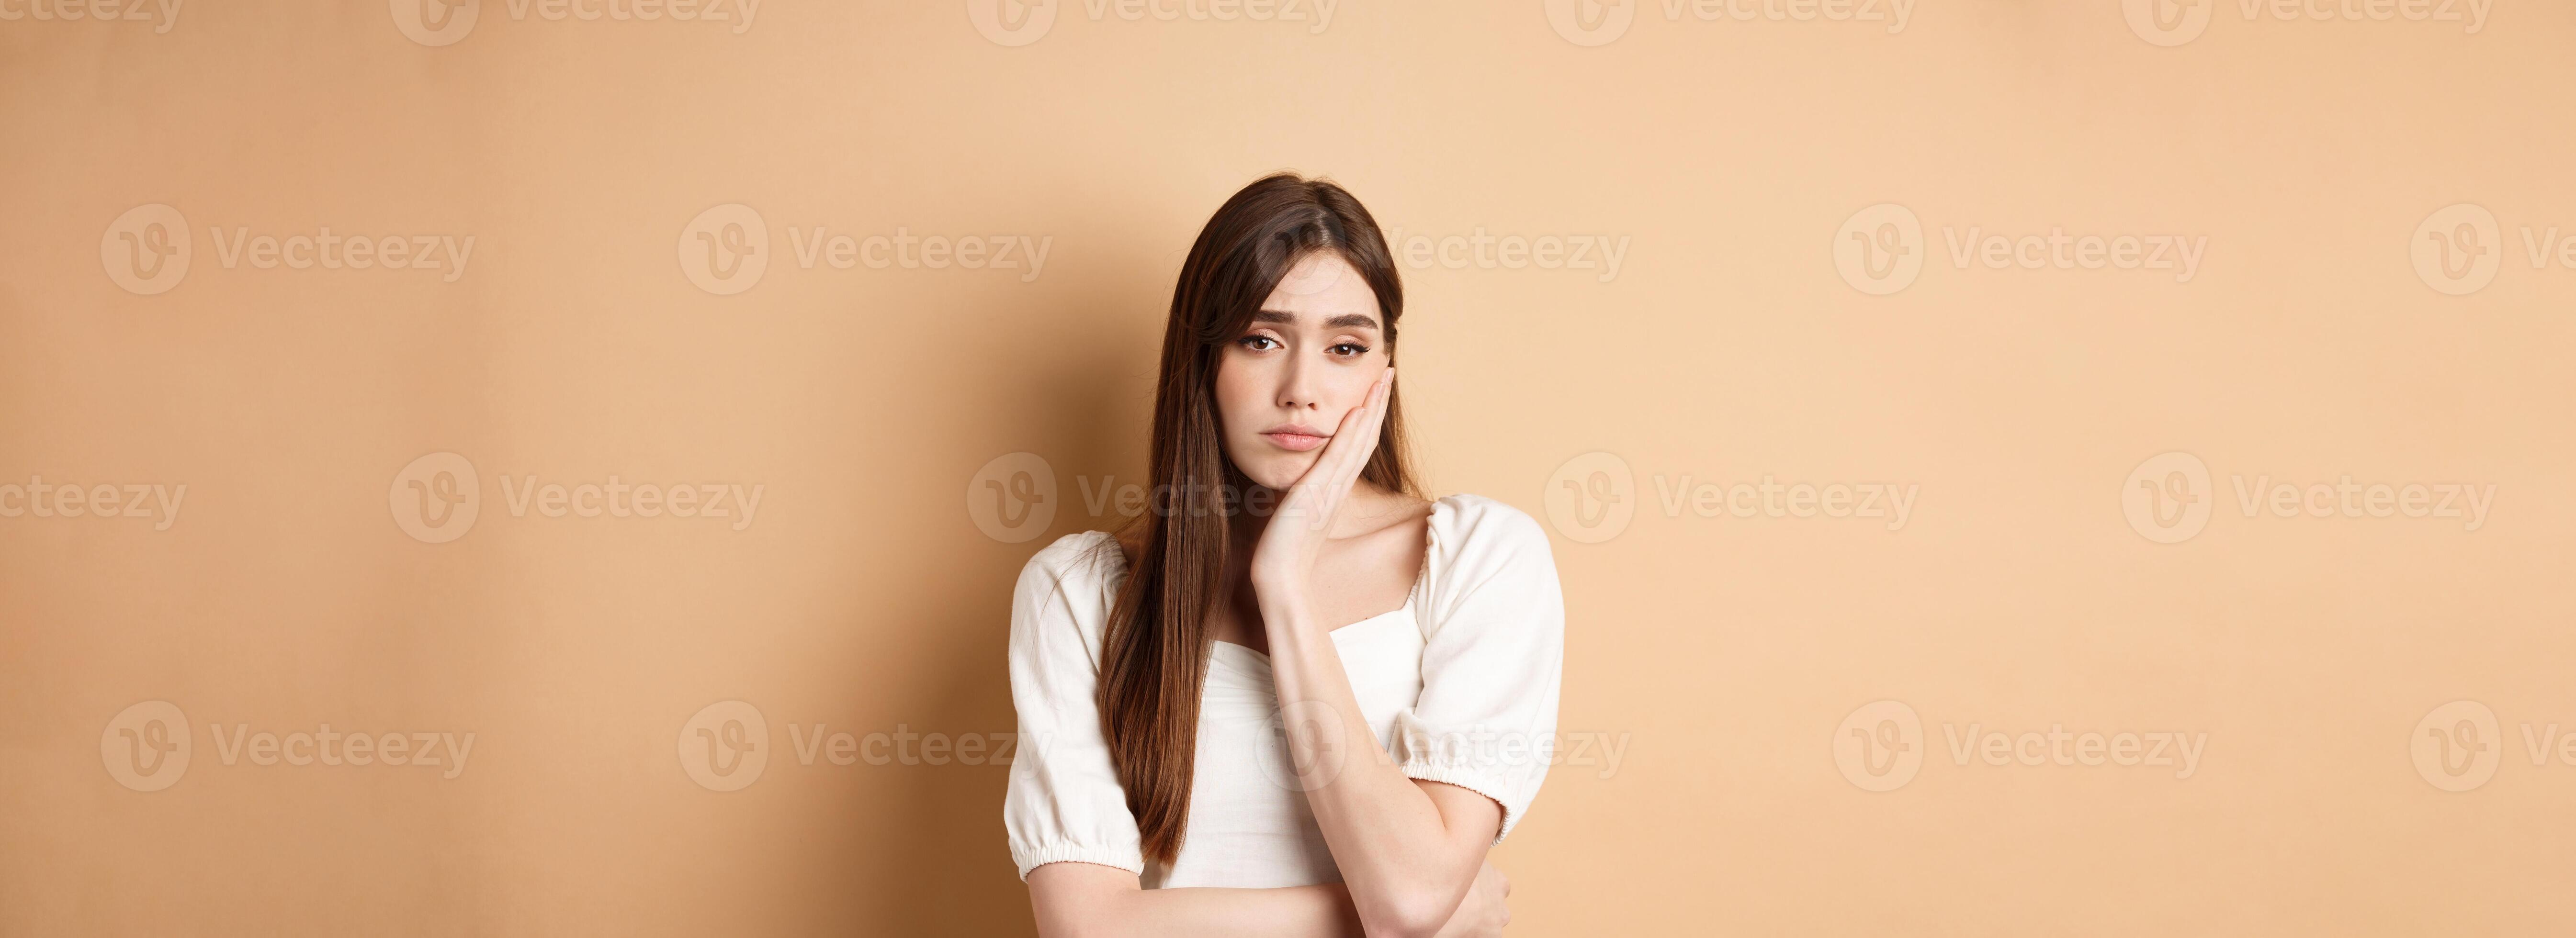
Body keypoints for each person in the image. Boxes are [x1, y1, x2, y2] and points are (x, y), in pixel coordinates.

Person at [1003, 173, 1566, 937]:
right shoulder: (1081, 592)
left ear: (1384, 372)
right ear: (1203, 363)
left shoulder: (1480, 559)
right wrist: (1411, 911)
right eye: (1261, 340)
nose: (1302, 389)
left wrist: (1285, 583)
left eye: (1345, 347)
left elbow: (1407, 892)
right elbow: (1088, 930)